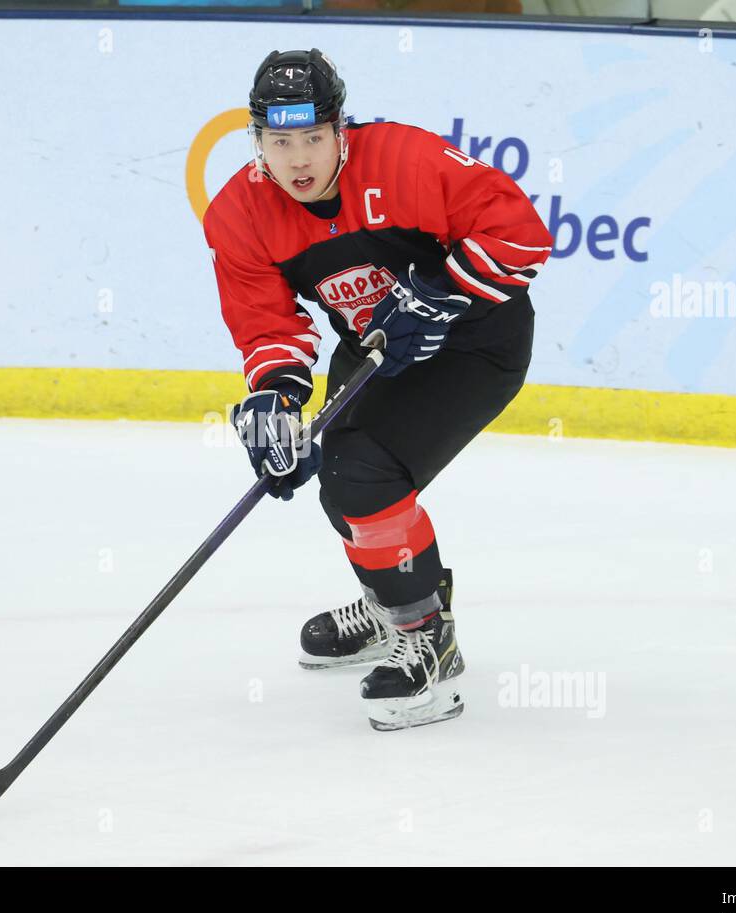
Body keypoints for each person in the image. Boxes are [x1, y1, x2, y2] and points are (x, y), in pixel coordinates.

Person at [203, 49, 552, 731]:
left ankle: (429, 639)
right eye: (280, 142)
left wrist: (441, 296)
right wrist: (275, 399)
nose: (298, 159)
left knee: (361, 473)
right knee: (336, 473)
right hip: (376, 346)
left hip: (476, 341)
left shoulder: (403, 159)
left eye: (312, 138)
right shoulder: (240, 213)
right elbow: (265, 321)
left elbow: (520, 236)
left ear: (341, 130)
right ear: (257, 143)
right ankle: (392, 600)